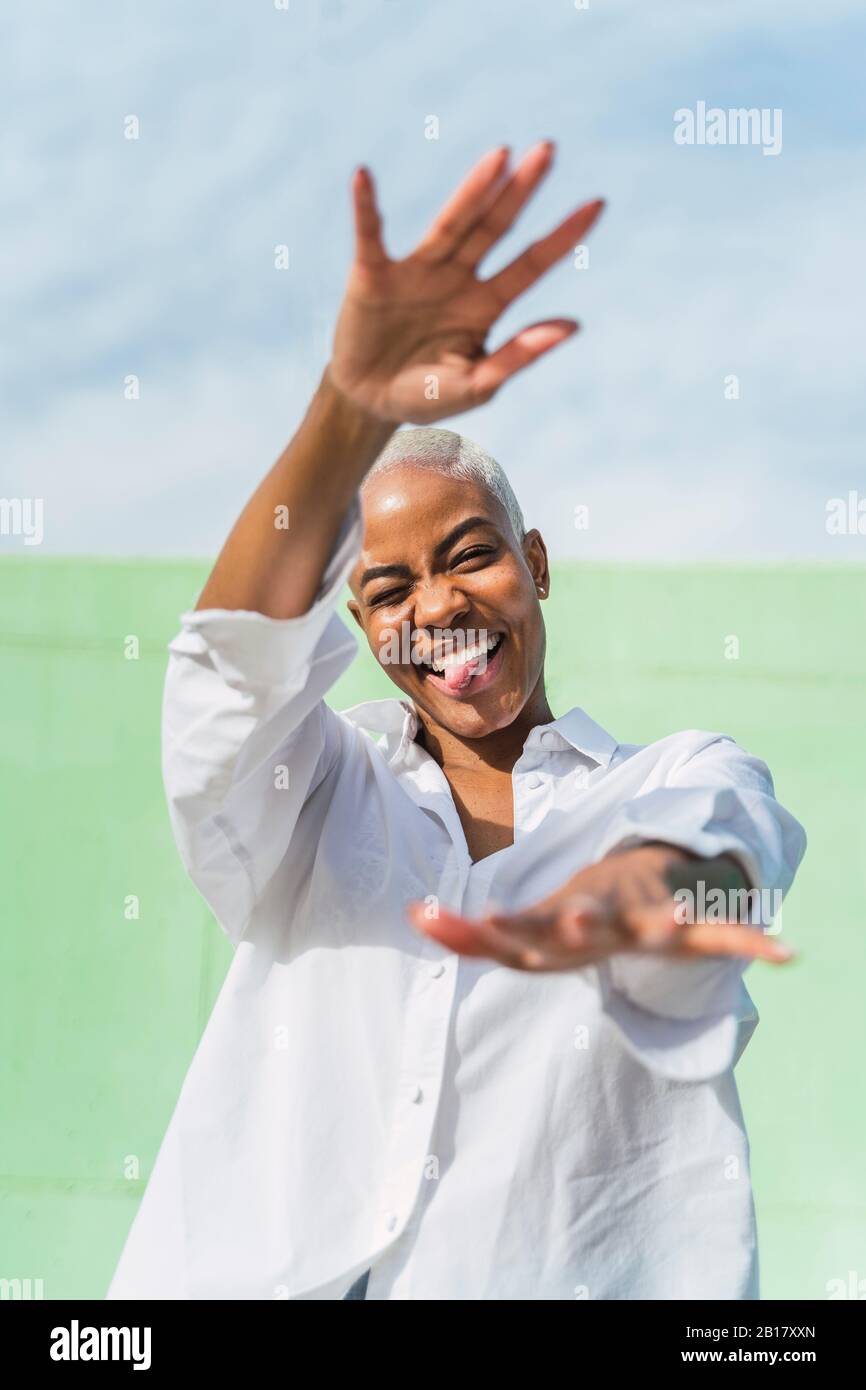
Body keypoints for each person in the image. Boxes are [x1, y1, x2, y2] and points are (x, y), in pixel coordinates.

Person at [106, 142, 806, 1301]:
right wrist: (349, 407)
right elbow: (226, 674)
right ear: (362, 623)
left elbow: (729, 865)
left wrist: (640, 894)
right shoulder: (312, 796)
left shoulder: (678, 775)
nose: (434, 606)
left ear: (533, 564)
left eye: (469, 554)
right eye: (388, 588)